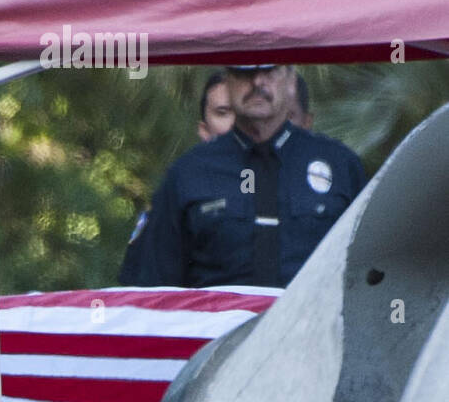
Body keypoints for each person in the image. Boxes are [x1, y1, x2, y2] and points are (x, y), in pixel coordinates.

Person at [126, 63, 365, 290]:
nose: (257, 82)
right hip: (218, 330)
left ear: (290, 79)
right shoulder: (189, 174)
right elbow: (149, 287)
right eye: (244, 72)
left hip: (317, 329)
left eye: (270, 70)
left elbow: (371, 272)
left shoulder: (340, 167)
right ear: (227, 80)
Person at [120, 71, 234, 289]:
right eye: (223, 113)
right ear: (204, 130)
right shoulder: (181, 185)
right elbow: (147, 286)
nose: (236, 125)